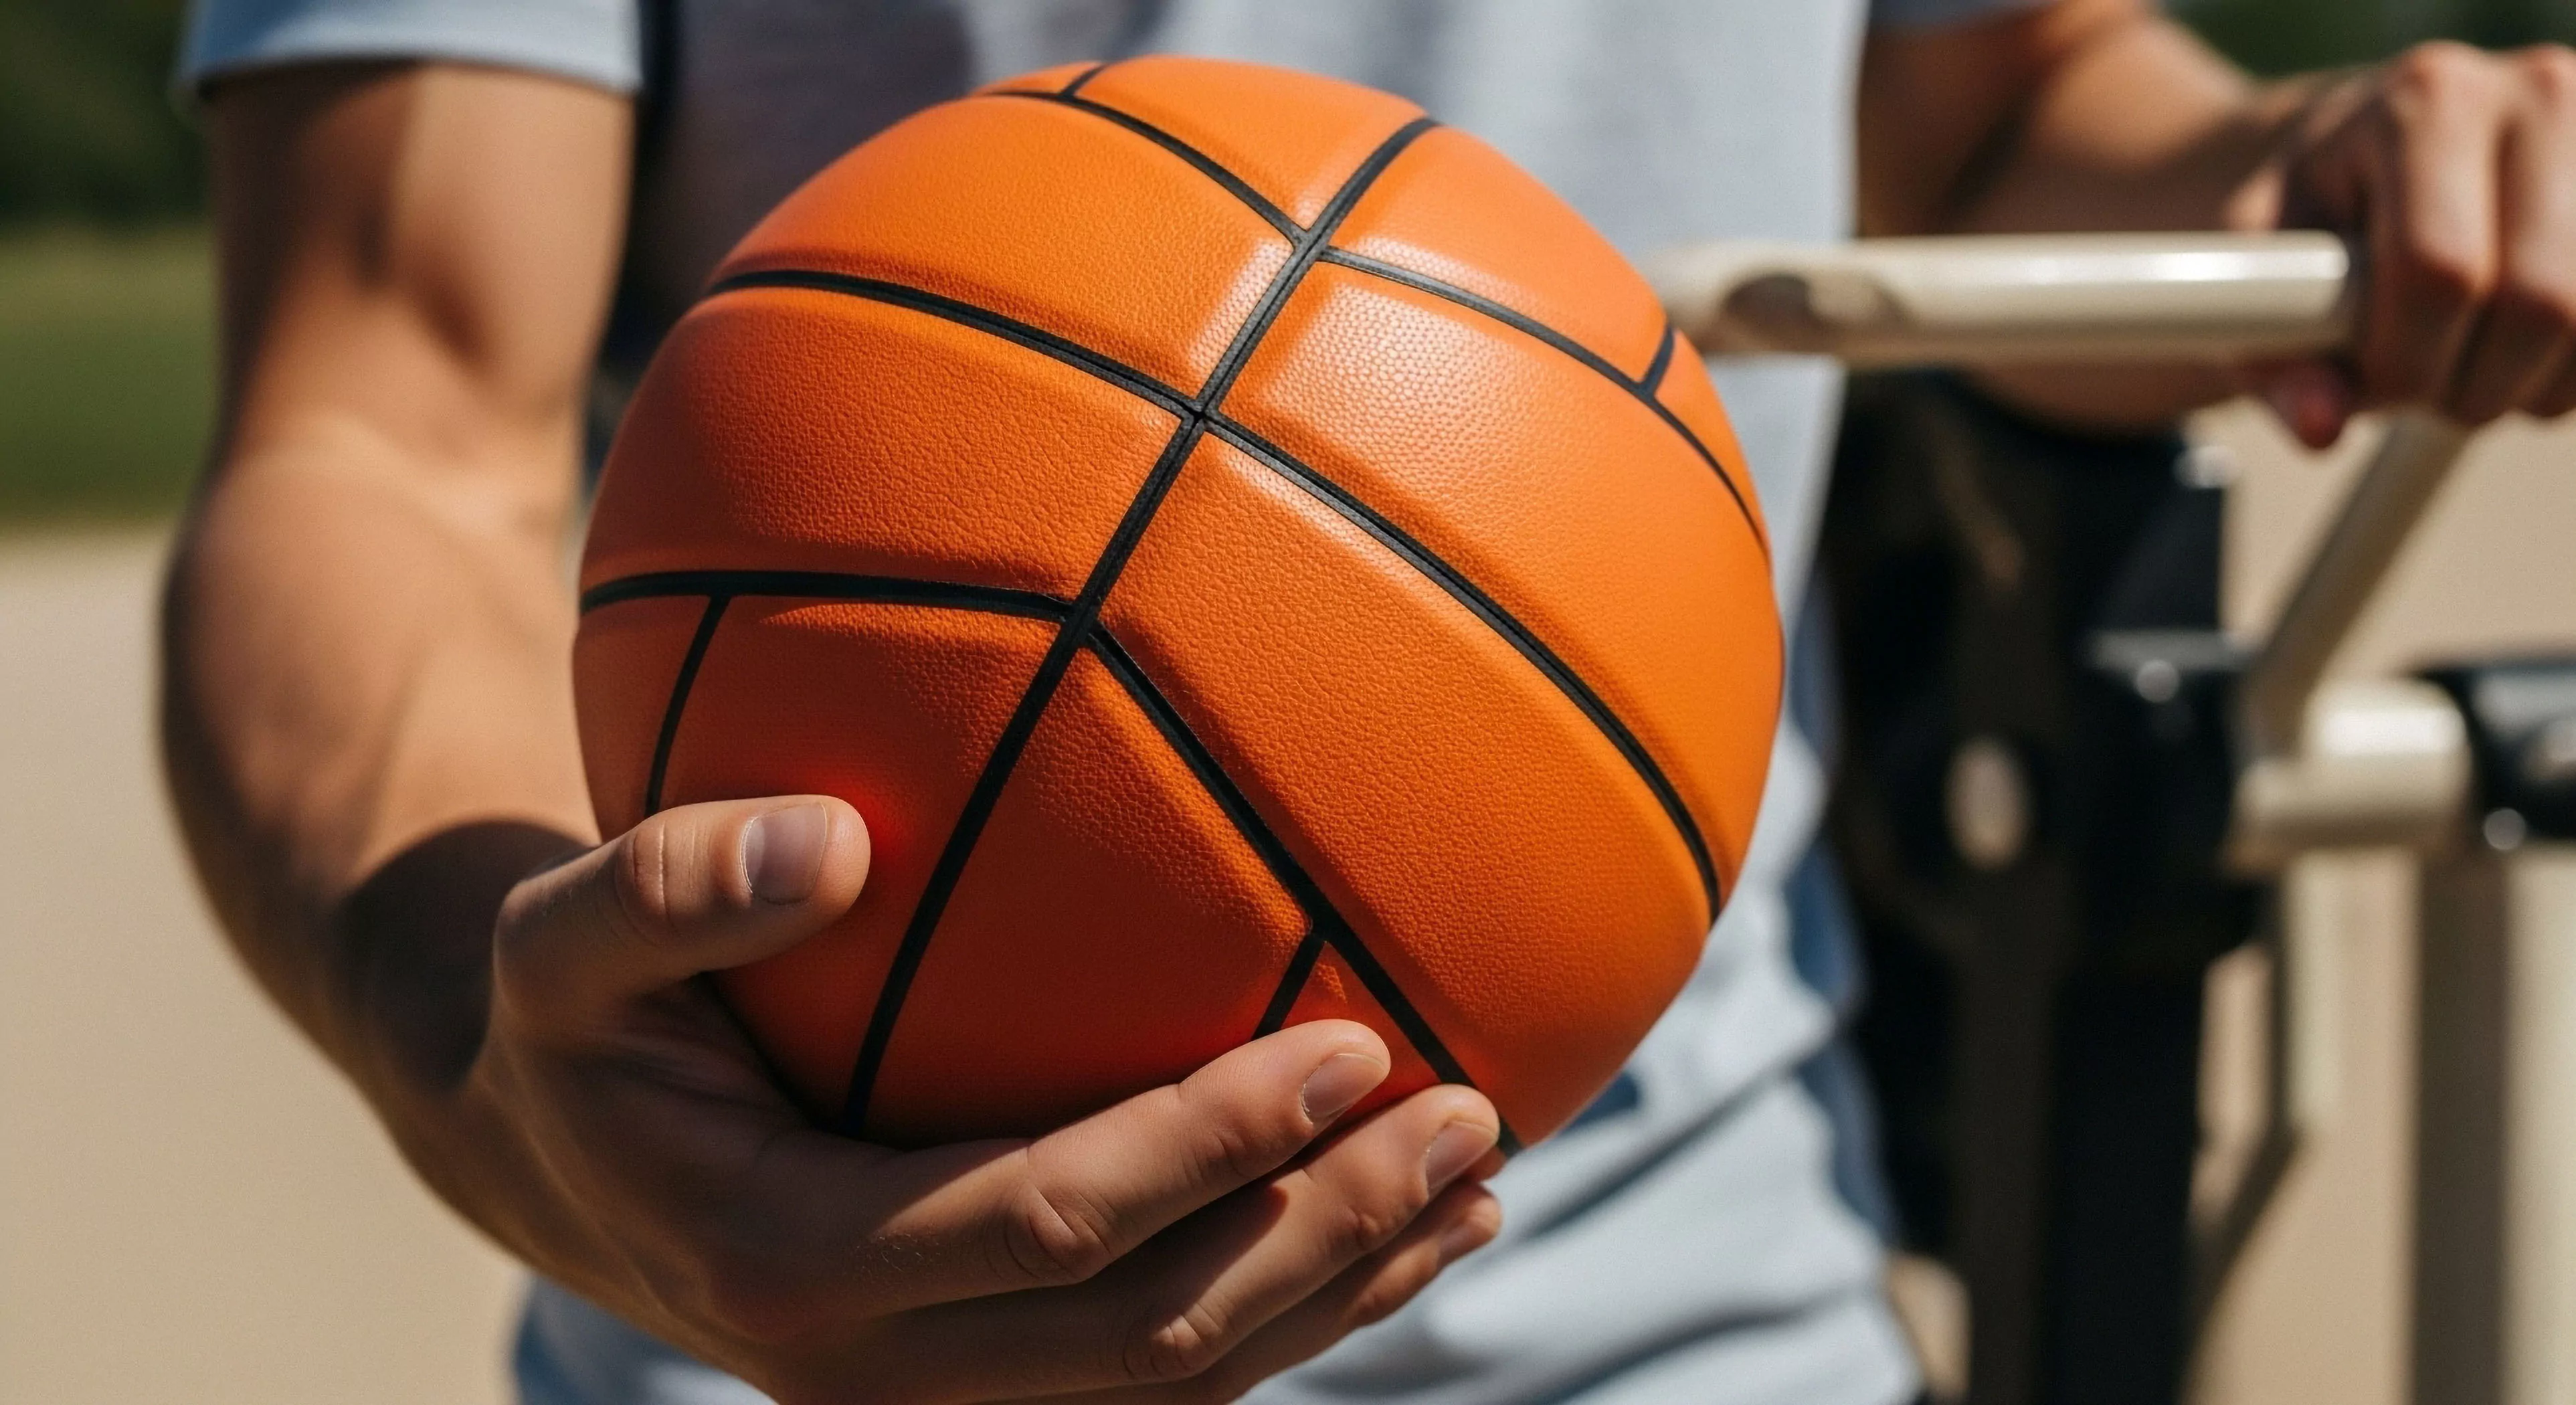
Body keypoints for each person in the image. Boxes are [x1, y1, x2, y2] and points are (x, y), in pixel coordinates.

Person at [163, 1, 2576, 1402]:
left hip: (1692, 1302)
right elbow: (380, 418)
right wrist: (502, 1058)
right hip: (810, 1326)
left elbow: (1989, 84)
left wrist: (2298, 164)